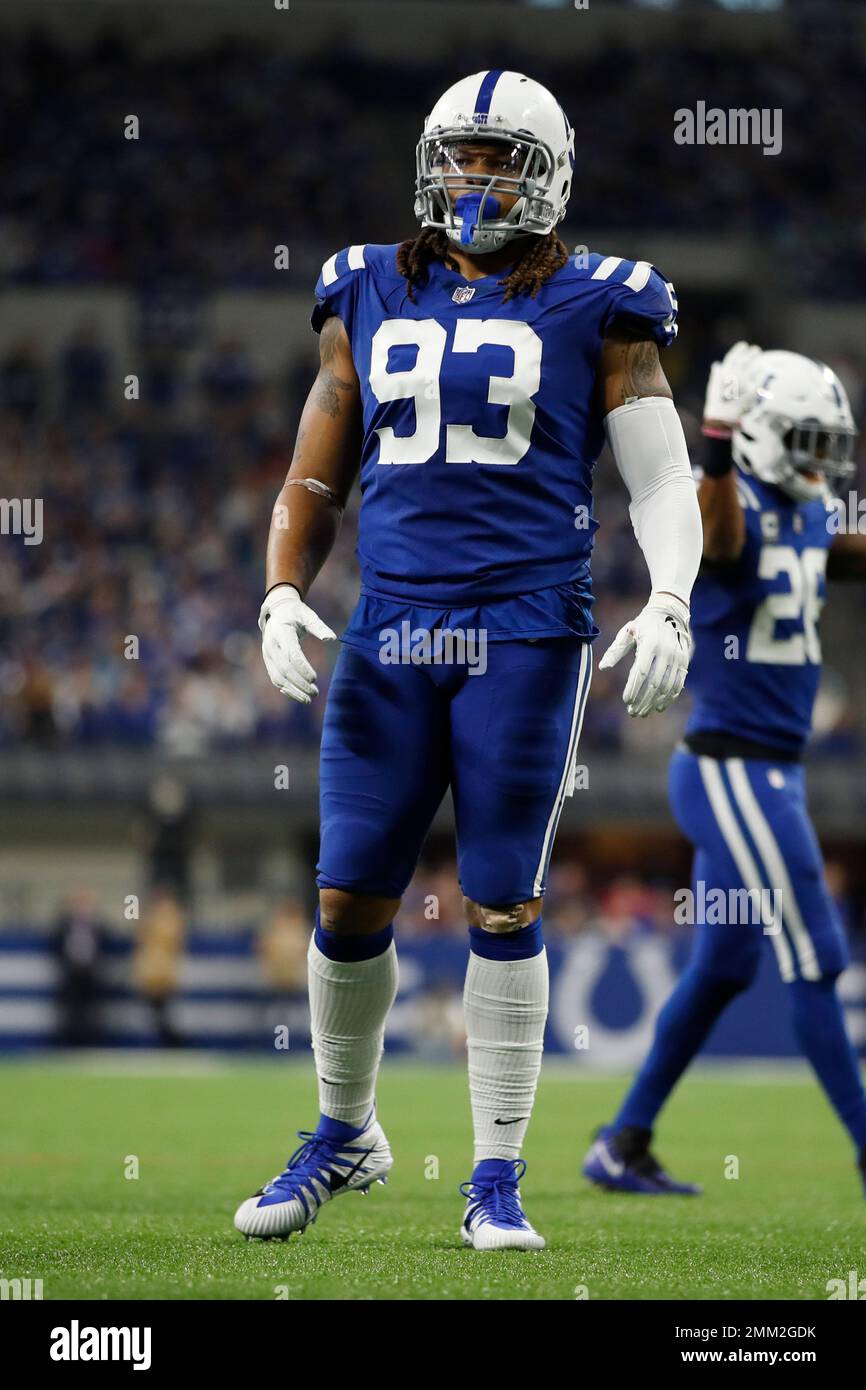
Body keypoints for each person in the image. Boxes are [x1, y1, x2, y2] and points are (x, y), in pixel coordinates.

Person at [235, 70, 701, 1247]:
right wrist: (281, 586)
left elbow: (656, 475)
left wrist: (674, 598)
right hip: (390, 627)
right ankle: (347, 1129)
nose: (475, 179)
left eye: (500, 159)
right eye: (461, 154)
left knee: (503, 899)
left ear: (546, 174)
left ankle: (494, 1175)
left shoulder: (604, 301)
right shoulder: (369, 286)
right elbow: (312, 469)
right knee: (346, 892)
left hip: (525, 632)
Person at [584, 342, 866, 1197]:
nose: (822, 462)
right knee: (816, 957)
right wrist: (713, 440)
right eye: (805, 441)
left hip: (759, 770)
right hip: (733, 768)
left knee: (725, 965)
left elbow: (843, 548)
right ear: (757, 435)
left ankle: (623, 1141)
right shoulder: (724, 505)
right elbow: (723, 535)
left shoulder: (811, 512)